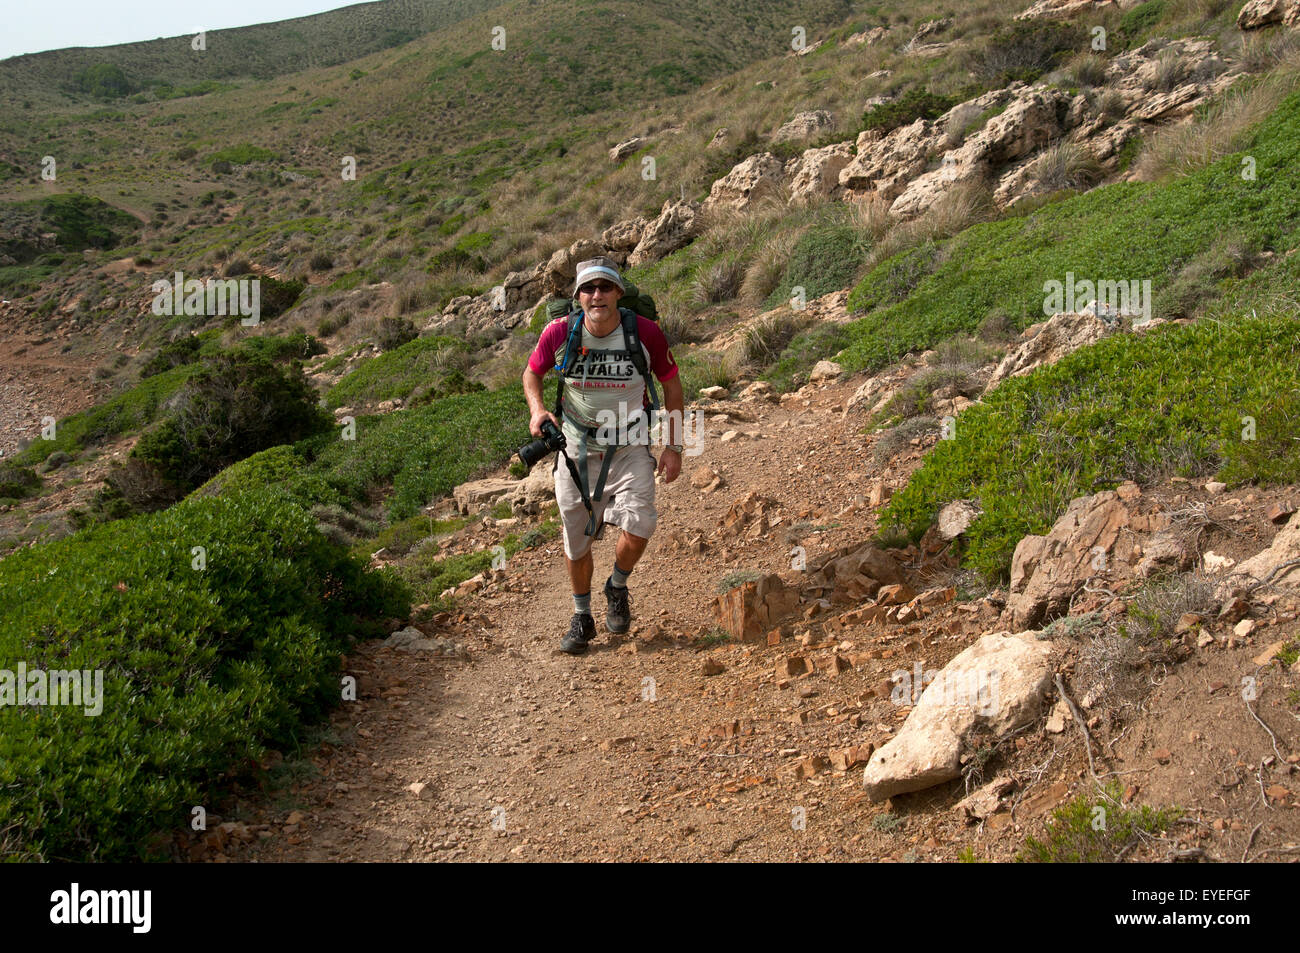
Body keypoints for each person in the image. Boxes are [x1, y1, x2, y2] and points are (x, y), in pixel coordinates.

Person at [522, 257, 684, 654]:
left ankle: (617, 584)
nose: (597, 295)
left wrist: (674, 446)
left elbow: (672, 385)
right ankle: (582, 617)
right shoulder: (560, 332)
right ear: (578, 296)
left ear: (618, 292)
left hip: (629, 446)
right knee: (576, 541)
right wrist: (537, 410)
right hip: (575, 447)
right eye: (588, 289)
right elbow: (532, 373)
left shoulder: (644, 333)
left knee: (641, 525)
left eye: (605, 287)